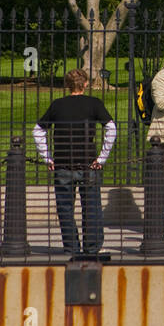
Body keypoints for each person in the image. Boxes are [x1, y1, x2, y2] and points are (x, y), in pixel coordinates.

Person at [32, 68, 116, 255]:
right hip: (88, 163)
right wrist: (102, 157)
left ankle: (71, 247)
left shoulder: (57, 105)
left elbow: (37, 131)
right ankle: (91, 248)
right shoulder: (94, 104)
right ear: (85, 84)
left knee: (65, 209)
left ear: (67, 85)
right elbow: (111, 128)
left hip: (63, 162)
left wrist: (47, 157)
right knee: (92, 207)